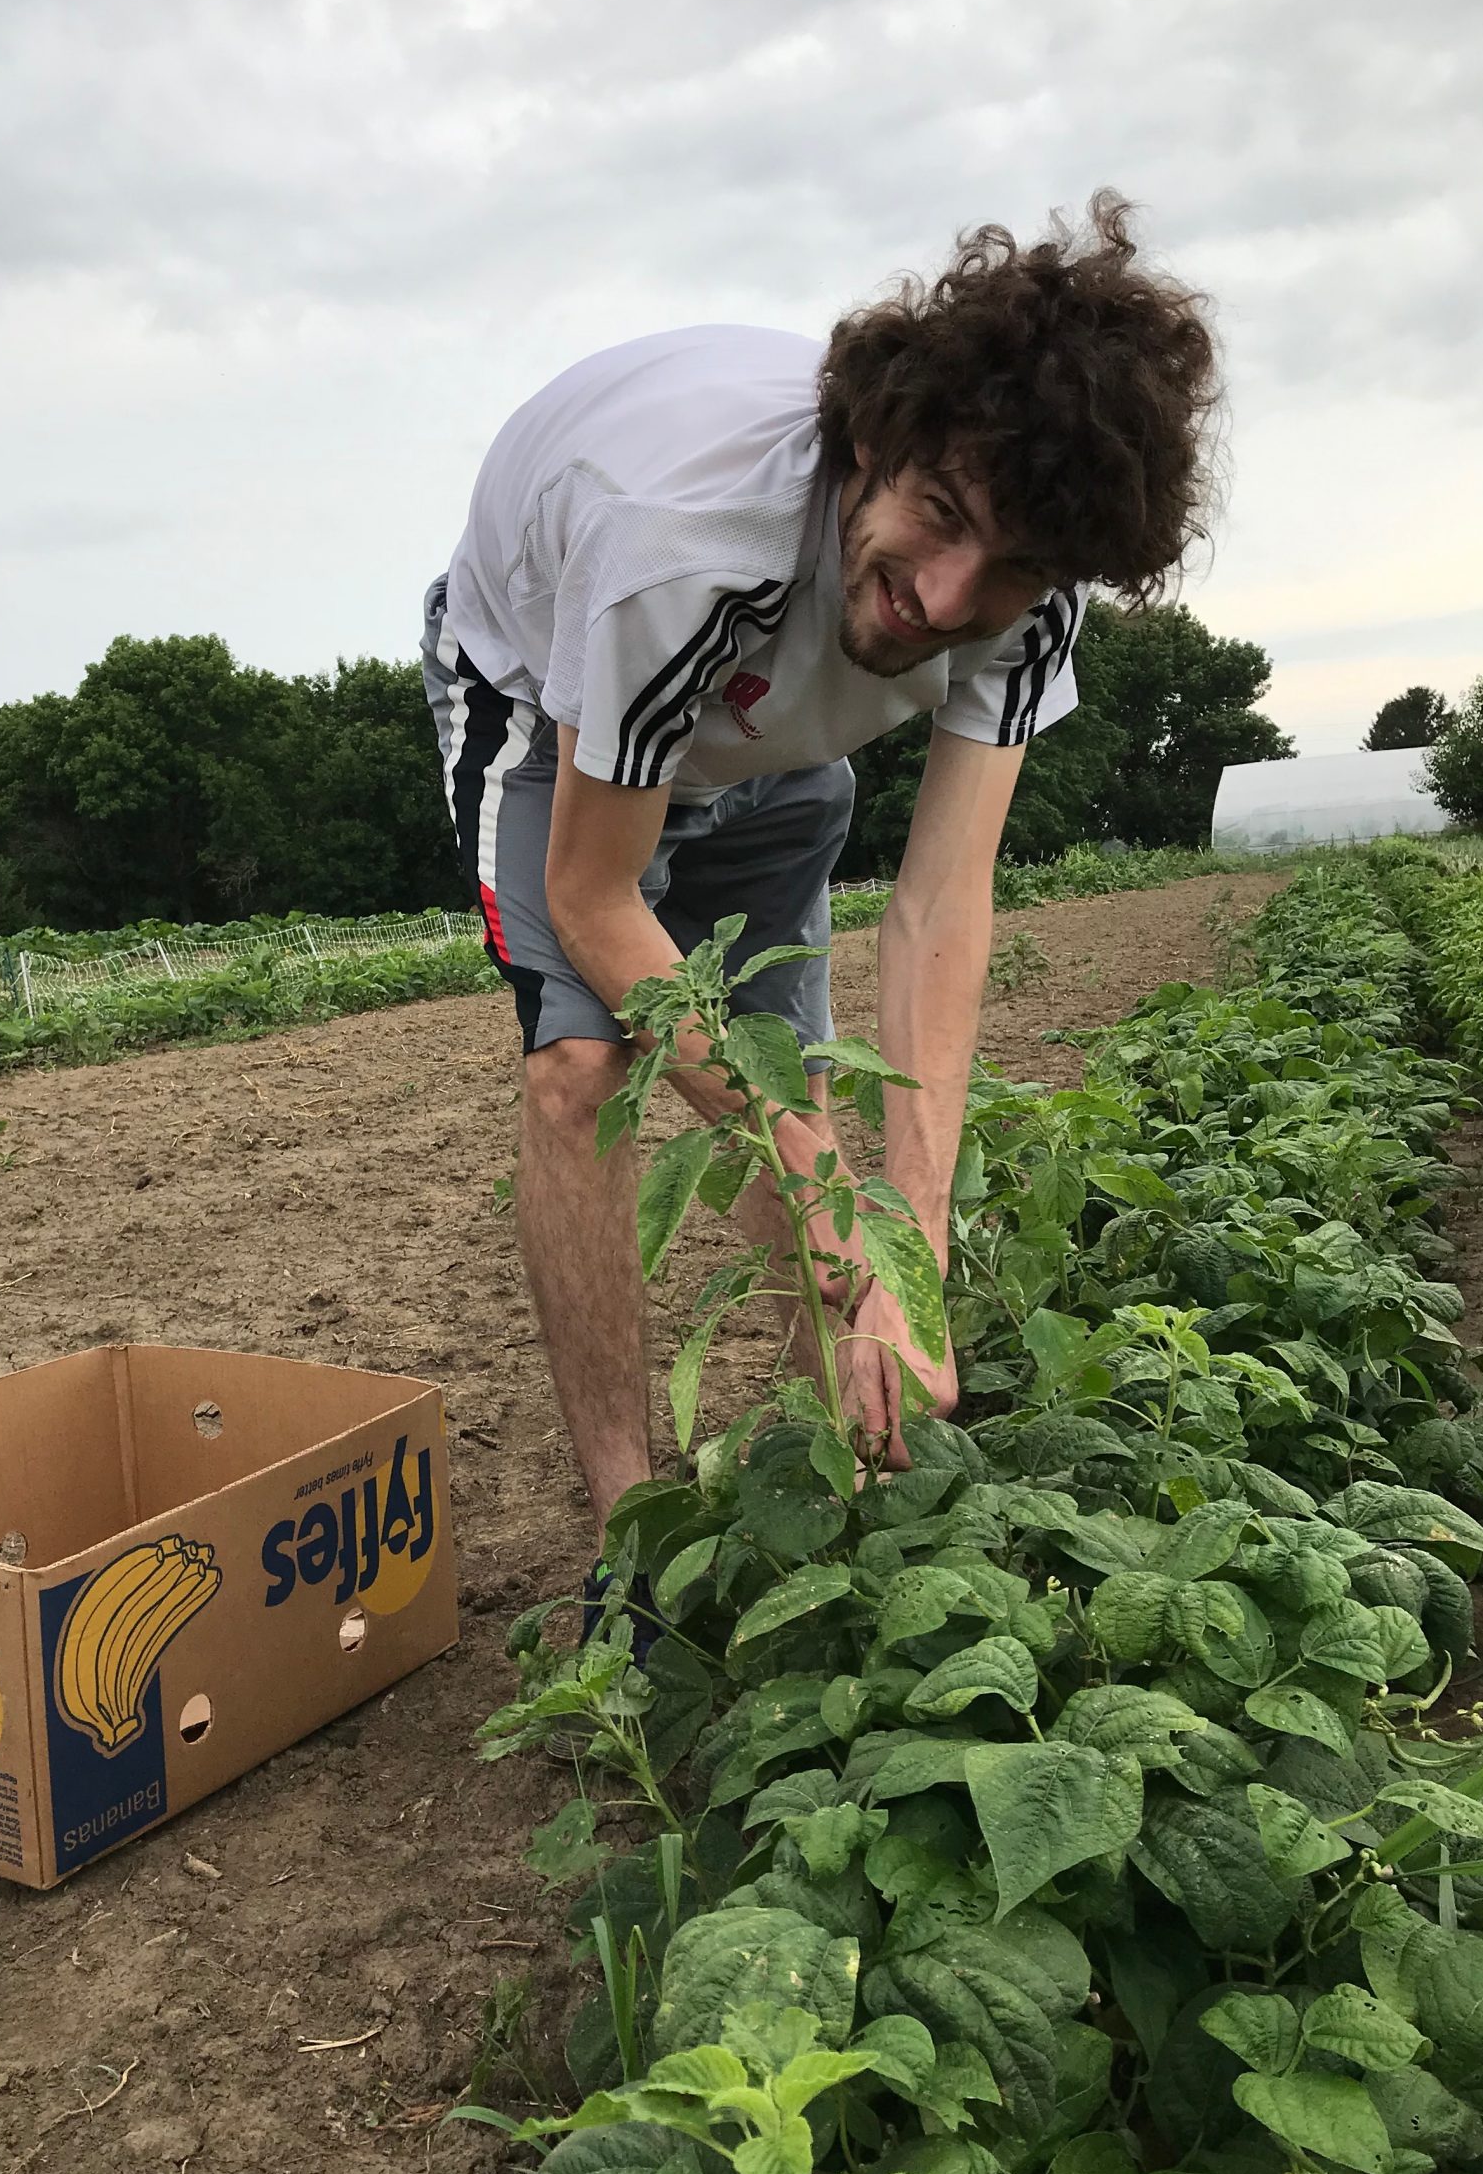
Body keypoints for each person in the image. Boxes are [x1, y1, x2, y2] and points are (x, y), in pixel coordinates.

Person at [421, 193, 1220, 1613]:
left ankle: (861, 1472)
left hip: (780, 741)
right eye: (940, 519)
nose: (949, 596)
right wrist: (834, 1220)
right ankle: (634, 1538)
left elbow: (941, 905)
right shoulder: (678, 534)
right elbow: (601, 901)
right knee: (587, 1066)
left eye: (1014, 570)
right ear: (874, 443)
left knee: (800, 1092)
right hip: (556, 707)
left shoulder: (1025, 600)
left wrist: (896, 1250)